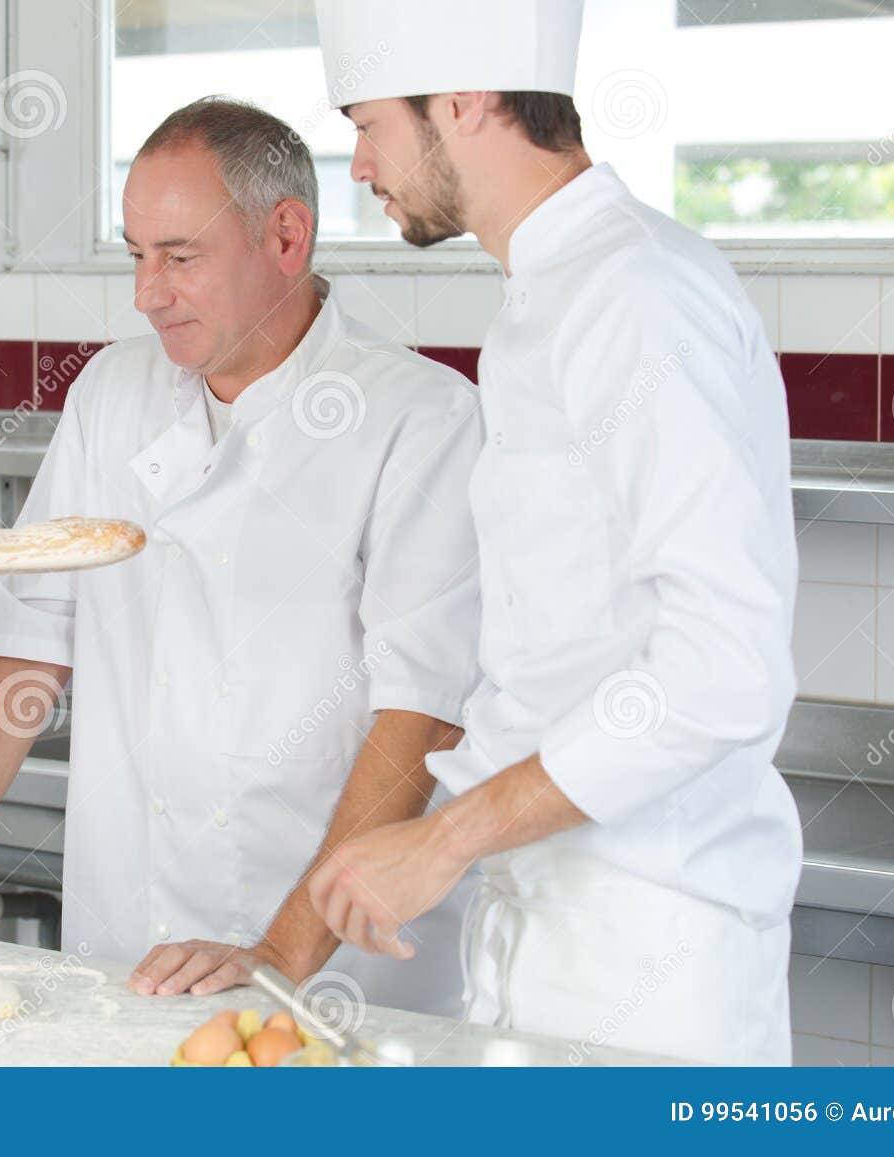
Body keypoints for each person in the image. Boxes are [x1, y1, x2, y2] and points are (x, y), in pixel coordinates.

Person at [0, 97, 484, 1014]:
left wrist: (281, 949)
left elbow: (422, 717)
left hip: (336, 968)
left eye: (180, 258)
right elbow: (25, 644)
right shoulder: (112, 390)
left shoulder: (420, 417)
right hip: (131, 947)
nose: (148, 293)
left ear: (287, 236)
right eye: (137, 255)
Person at [307, 0, 802, 1063]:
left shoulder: (636, 294)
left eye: (367, 125)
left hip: (651, 942)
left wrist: (446, 836)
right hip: (552, 915)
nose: (358, 164)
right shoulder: (548, 293)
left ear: (465, 100)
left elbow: (722, 664)